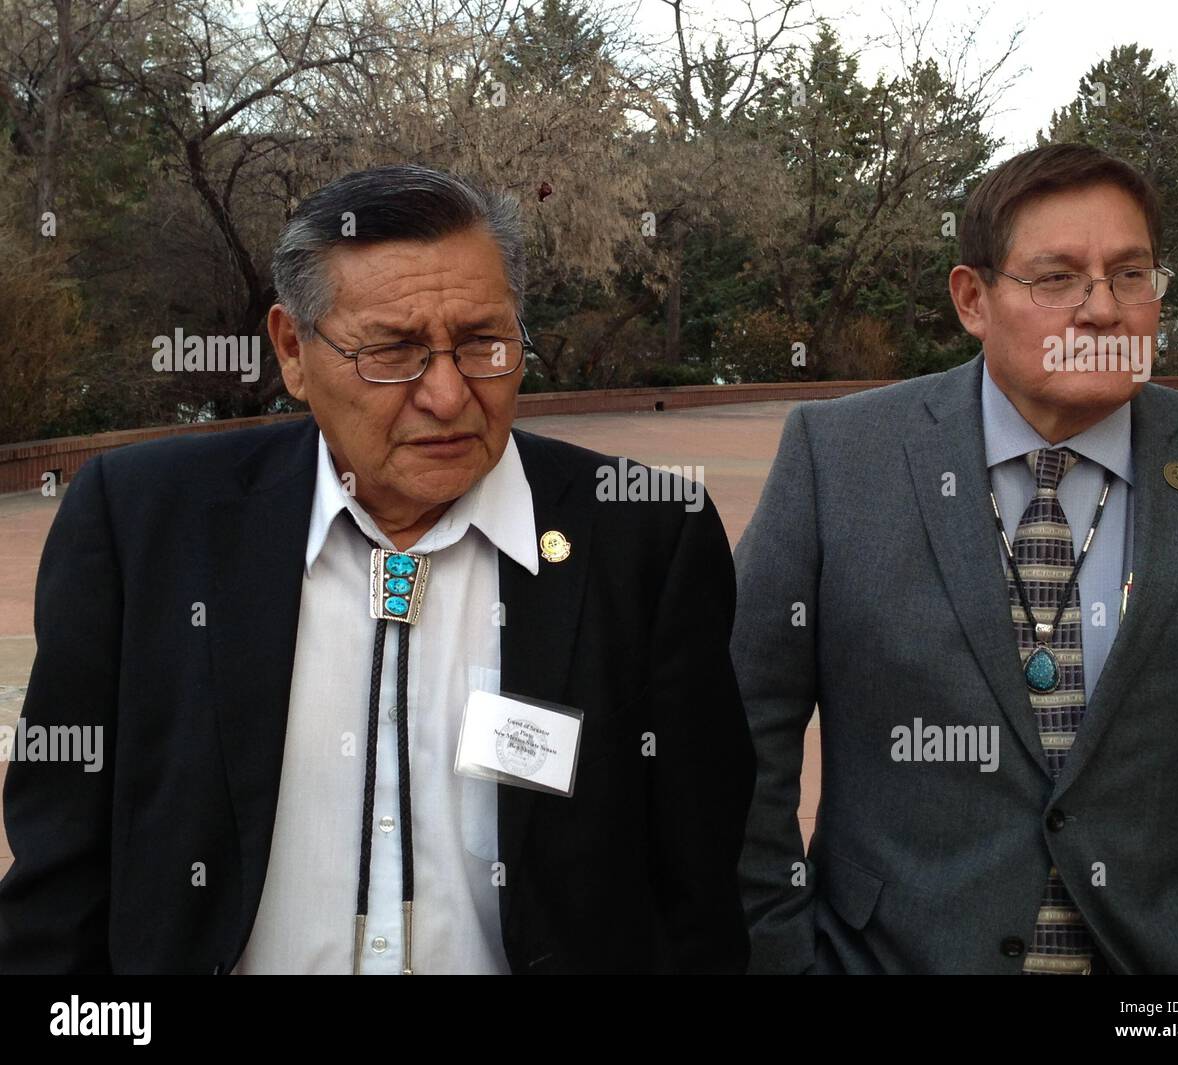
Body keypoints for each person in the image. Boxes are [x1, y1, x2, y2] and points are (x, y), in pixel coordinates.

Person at [0, 164, 755, 974]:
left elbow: (700, 892)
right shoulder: (143, 523)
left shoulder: (644, 540)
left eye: (482, 343)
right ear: (293, 350)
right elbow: (59, 883)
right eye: (393, 352)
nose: (447, 393)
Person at [734, 142, 1178, 974]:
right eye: (1057, 277)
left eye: (1131, 274)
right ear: (973, 298)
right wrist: (784, 952)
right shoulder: (838, 460)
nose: (1103, 310)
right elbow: (743, 734)